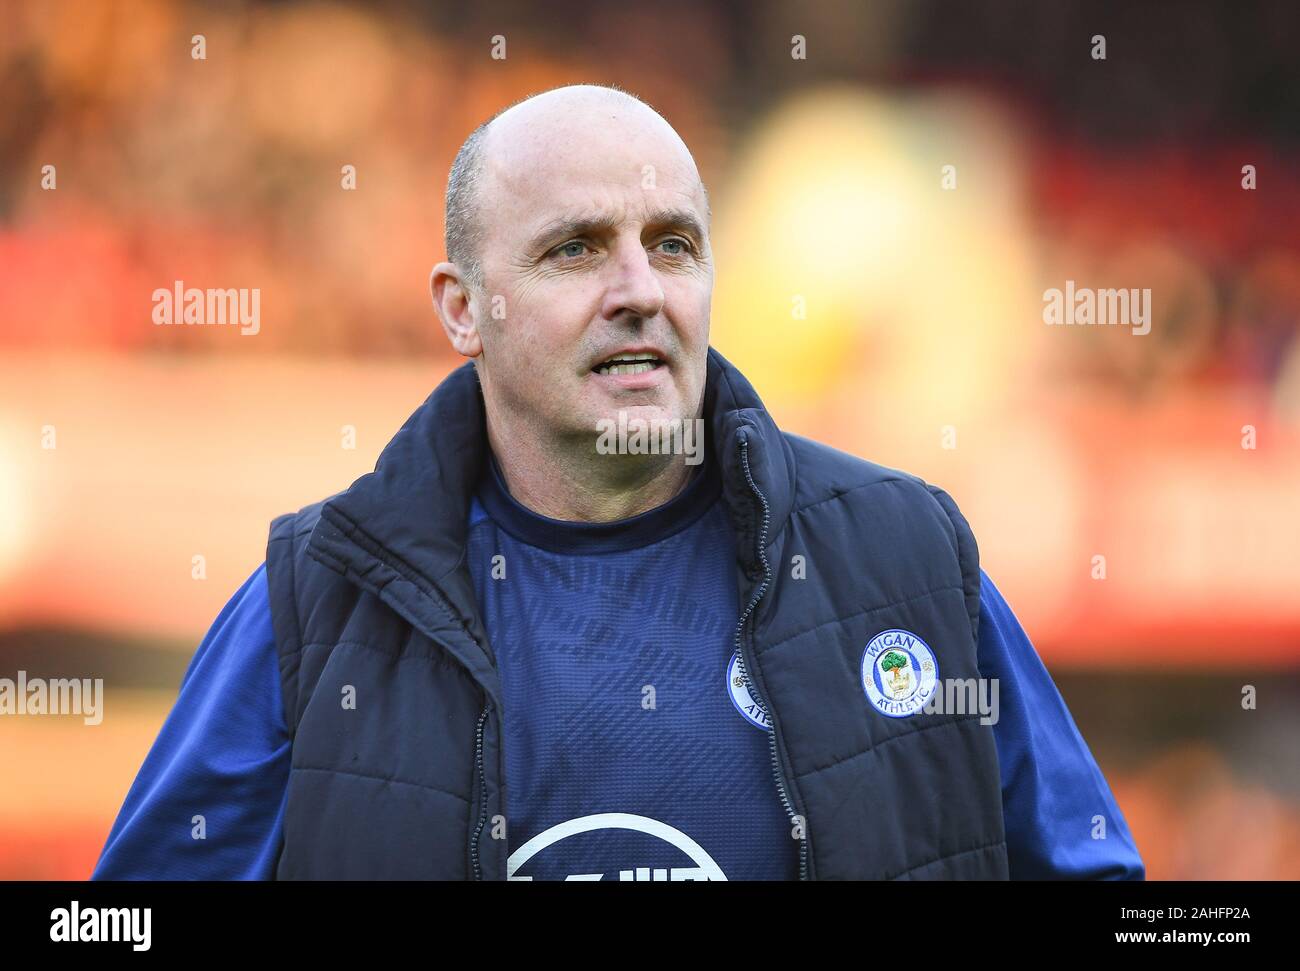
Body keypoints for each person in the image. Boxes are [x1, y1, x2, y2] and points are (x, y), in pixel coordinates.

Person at [92, 83, 1144, 881]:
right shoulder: (313, 604)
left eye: (672, 245)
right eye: (576, 250)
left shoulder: (905, 562)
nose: (639, 290)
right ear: (463, 309)